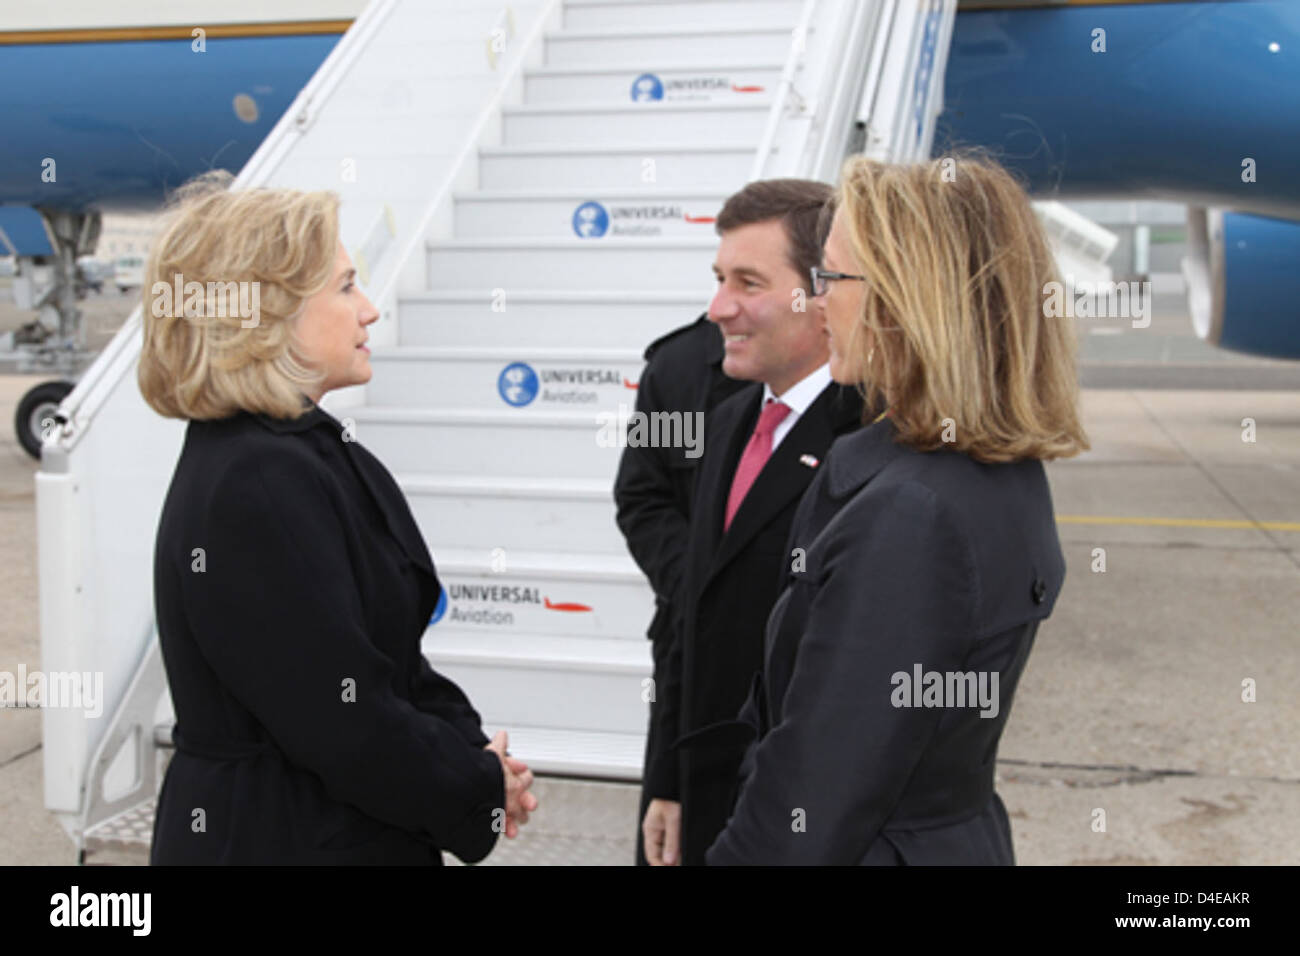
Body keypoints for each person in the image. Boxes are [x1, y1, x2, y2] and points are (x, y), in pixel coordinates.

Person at [138, 173, 537, 864]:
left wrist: (473, 755)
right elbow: (341, 718)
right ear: (267, 313)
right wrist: (475, 784)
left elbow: (383, 668)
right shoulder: (258, 479)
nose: (370, 310)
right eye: (346, 286)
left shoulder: (292, 453)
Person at [706, 154, 1090, 865]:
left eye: (832, 278)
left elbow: (810, 806)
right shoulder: (997, 466)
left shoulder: (909, 514)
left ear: (906, 297)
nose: (817, 303)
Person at [640, 179, 863, 866]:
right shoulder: (733, 421)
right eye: (718, 279)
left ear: (819, 293)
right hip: (703, 795)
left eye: (748, 283)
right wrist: (668, 784)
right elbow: (693, 625)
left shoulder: (875, 438)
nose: (718, 307)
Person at [613, 313, 748, 865]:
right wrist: (705, 585)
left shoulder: (852, 376)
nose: (725, 304)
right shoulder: (681, 367)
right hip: (690, 664)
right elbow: (643, 496)